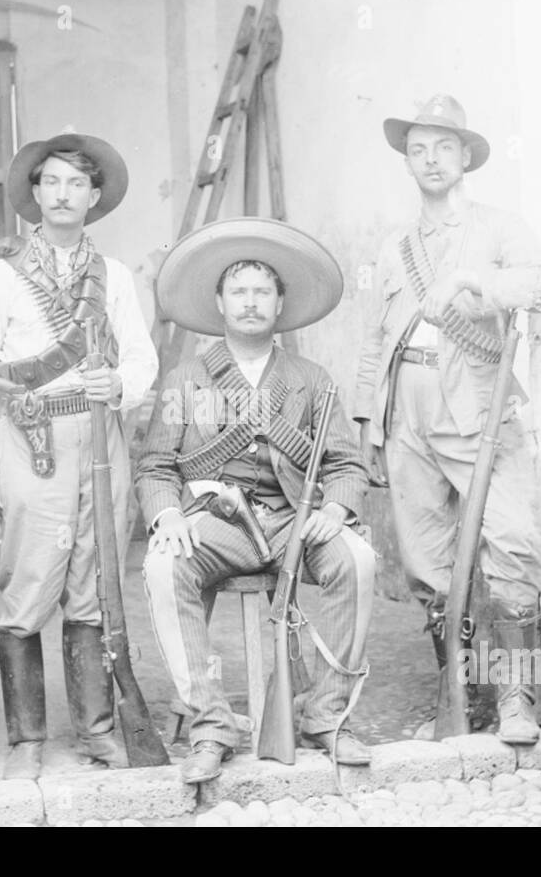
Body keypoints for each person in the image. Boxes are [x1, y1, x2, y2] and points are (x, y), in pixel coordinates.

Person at [137, 217, 375, 785]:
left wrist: (335, 510)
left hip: (296, 521)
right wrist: (167, 513)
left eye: (262, 292)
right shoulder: (187, 378)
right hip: (222, 524)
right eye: (238, 292)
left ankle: (326, 716)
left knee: (358, 561)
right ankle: (212, 725)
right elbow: (155, 465)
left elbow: (346, 464)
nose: (250, 303)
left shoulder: (312, 379)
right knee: (164, 567)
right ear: (219, 302)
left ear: (279, 303)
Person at [354, 94, 541, 745]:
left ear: (465, 155)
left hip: (477, 406)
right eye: (418, 148)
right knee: (428, 565)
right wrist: (369, 425)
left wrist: (471, 279)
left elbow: (540, 286)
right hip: (407, 412)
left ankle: (519, 696)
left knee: (510, 546)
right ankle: (462, 694)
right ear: (407, 161)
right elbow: (372, 339)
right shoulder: (395, 246)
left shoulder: (498, 228)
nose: (430, 159)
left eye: (443, 146)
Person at [0, 133, 158, 780]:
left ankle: (99, 728)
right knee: (28, 582)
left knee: (95, 584)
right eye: (52, 182)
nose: (63, 193)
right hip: (31, 437)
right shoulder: (2, 275)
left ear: (95, 197)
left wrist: (121, 385)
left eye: (77, 183)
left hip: (101, 437)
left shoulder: (116, 277)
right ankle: (27, 738)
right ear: (35, 195)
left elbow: (142, 356)